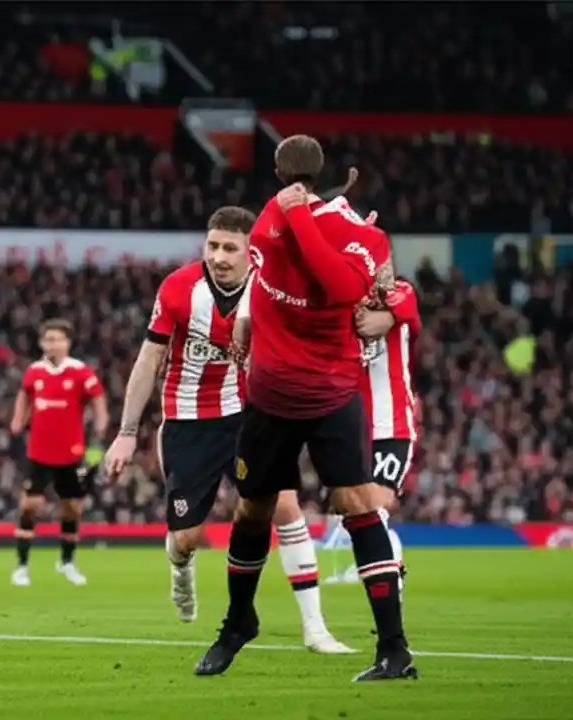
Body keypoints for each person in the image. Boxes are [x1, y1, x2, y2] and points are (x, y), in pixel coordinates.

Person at [194, 135, 416, 682]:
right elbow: (313, 279)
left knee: (359, 505)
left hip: (330, 397)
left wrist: (302, 218)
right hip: (269, 399)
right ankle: (238, 623)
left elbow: (339, 287)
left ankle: (394, 650)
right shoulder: (286, 221)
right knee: (252, 510)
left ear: (279, 171)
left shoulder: (314, 225)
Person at [104, 206, 352, 654]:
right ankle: (180, 566)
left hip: (249, 414)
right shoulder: (179, 287)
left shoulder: (268, 286)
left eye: (230, 248)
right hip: (189, 420)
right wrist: (126, 431)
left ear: (250, 251)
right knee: (186, 539)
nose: (218, 256)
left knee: (285, 507)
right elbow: (149, 359)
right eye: (213, 245)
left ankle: (315, 628)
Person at [327, 277, 420, 585]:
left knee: (374, 503)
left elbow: (374, 322)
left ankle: (391, 571)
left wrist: (368, 315)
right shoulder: (339, 296)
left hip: (390, 424)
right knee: (352, 507)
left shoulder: (401, 292)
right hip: (351, 425)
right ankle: (378, 565)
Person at [8, 319, 108, 587]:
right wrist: (18, 419)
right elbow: (24, 396)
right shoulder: (34, 372)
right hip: (39, 452)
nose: (53, 344)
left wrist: (99, 432)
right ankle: (21, 566)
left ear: (68, 343)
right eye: (49, 339)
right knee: (30, 506)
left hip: (71, 453)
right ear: (42, 343)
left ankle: (67, 562)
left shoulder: (80, 372)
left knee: (72, 508)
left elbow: (98, 401)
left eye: (58, 339)